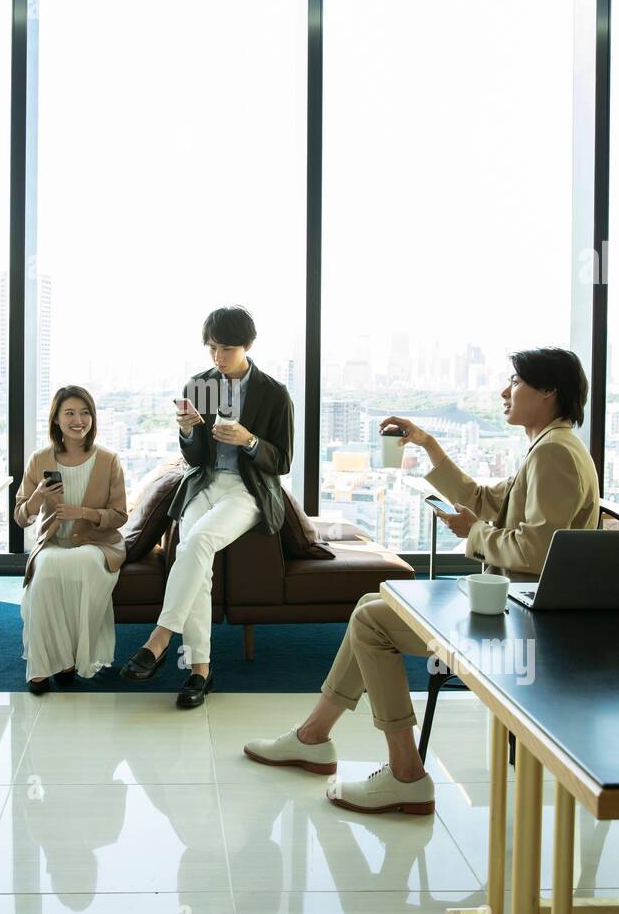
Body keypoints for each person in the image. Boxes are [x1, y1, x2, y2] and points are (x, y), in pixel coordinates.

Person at [245, 346, 600, 814]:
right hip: (512, 606)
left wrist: (474, 532)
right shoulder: (548, 446)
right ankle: (315, 737)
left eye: (514, 381)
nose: (503, 391)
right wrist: (427, 444)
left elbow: (537, 552)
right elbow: (481, 497)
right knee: (370, 608)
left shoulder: (554, 454)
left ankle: (405, 773)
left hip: (524, 625)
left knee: (373, 621)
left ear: (549, 391)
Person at [120, 305, 294, 709]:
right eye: (212, 348)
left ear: (248, 345)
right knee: (192, 551)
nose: (217, 358)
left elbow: (282, 462)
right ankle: (200, 671)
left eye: (227, 349)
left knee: (196, 542)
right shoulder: (202, 384)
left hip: (246, 490)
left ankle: (159, 639)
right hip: (206, 483)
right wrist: (186, 431)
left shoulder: (272, 393)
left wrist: (248, 440)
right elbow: (196, 458)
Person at [14, 385, 128, 692]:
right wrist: (37, 497)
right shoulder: (39, 460)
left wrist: (85, 513)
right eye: (70, 413)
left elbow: (119, 515)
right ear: (56, 420)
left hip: (97, 544)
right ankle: (44, 666)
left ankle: (70, 660)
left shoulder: (108, 460)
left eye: (84, 412)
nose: (78, 420)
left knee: (81, 562)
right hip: (52, 543)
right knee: (48, 569)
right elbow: (21, 517)